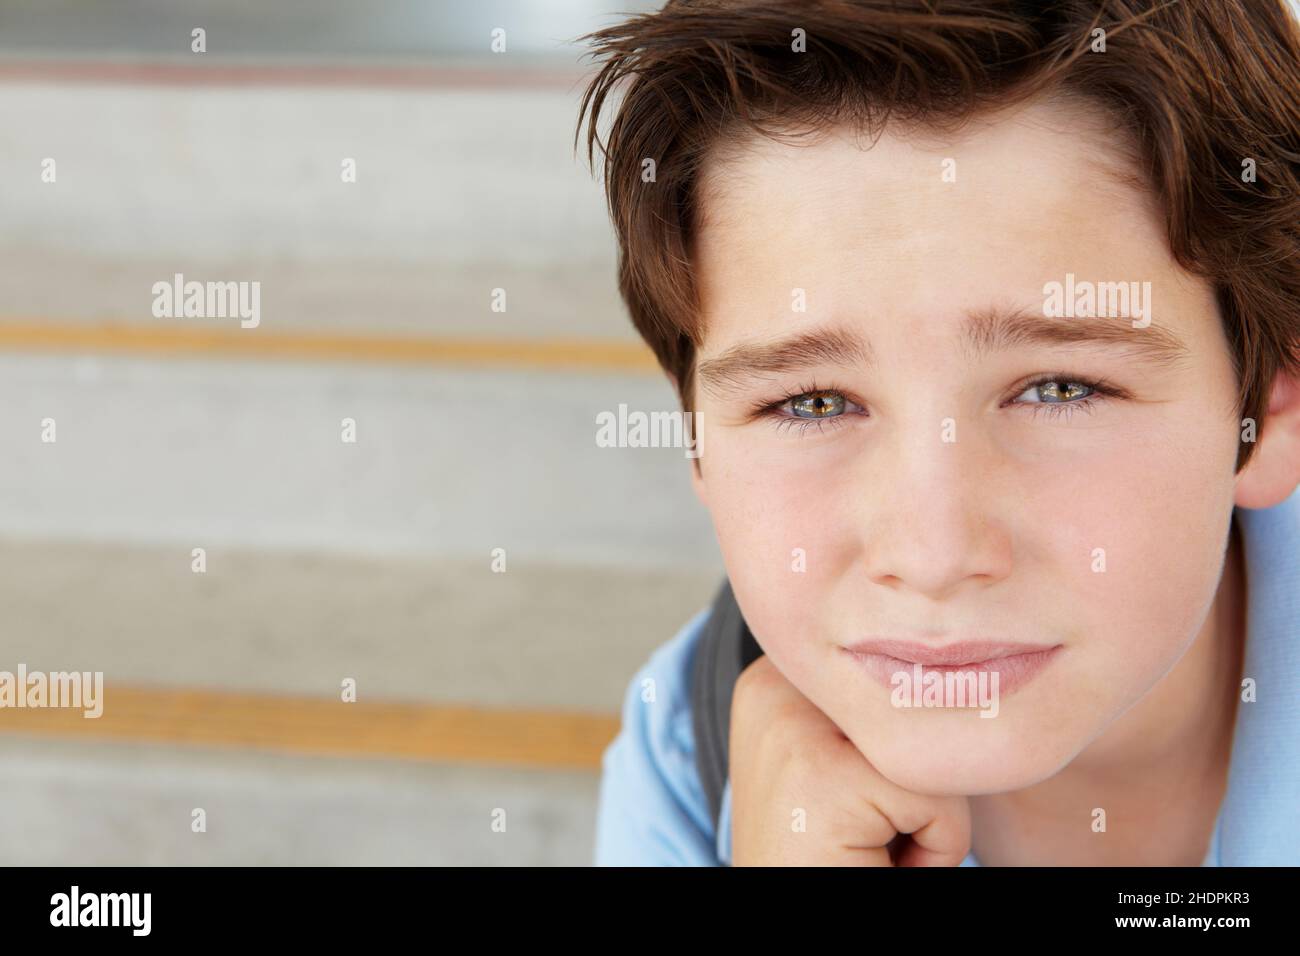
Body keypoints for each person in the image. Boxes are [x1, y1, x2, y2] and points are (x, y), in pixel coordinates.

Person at [579, 0, 1300, 865]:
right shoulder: (691, 755)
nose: (933, 553)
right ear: (697, 439)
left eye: (1060, 387)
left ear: (1273, 406)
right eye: (811, 403)